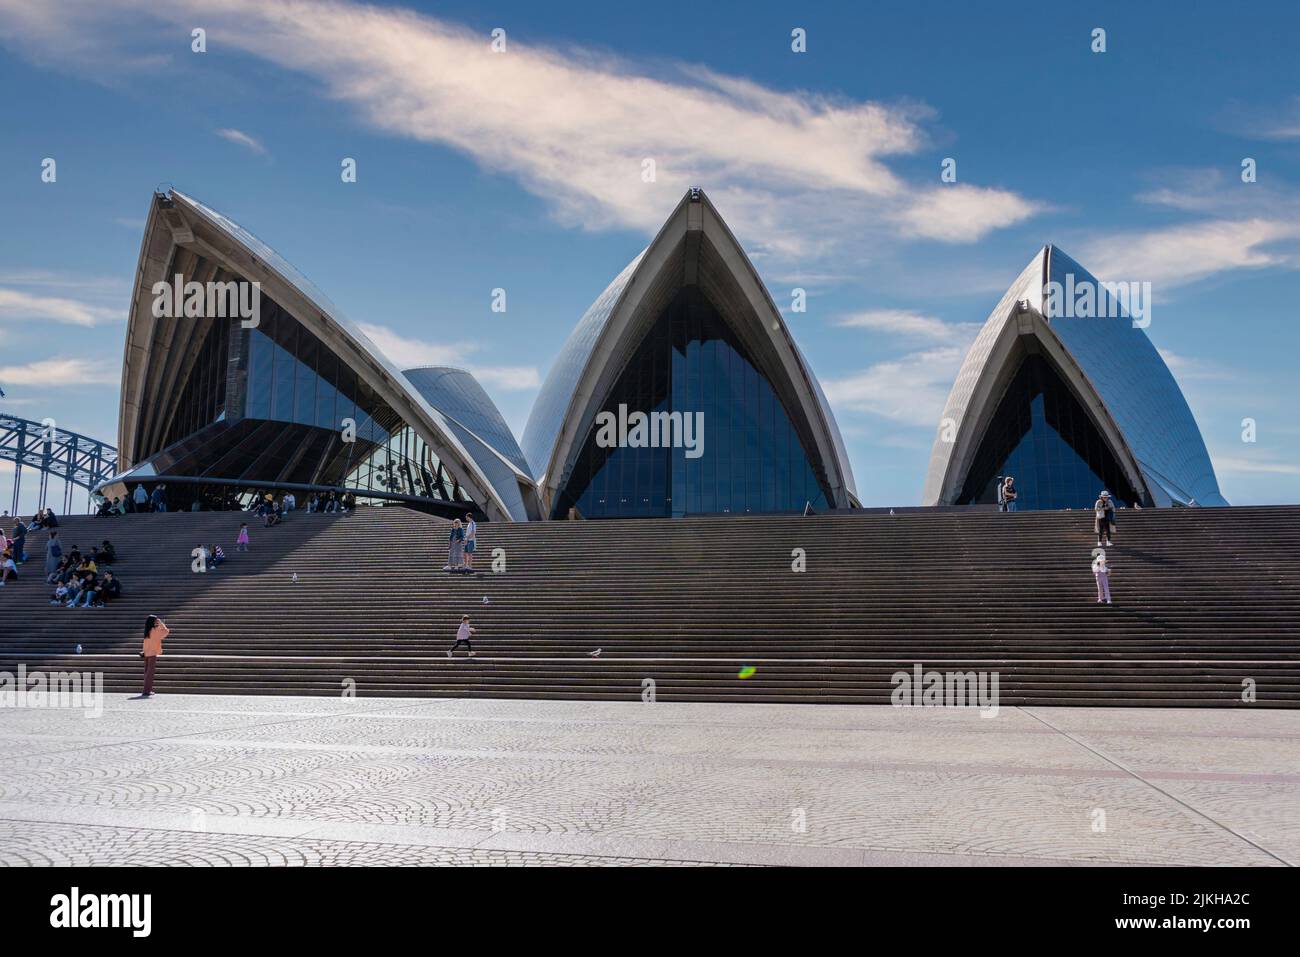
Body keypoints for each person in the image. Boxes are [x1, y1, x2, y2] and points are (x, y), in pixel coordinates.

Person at [141, 615, 169, 697]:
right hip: (152, 654)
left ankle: (147, 690)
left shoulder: (147, 631)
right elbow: (166, 631)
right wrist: (161, 623)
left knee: (147, 673)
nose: (157, 622)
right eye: (156, 621)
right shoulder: (155, 630)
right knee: (150, 673)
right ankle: (146, 691)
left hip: (146, 654)